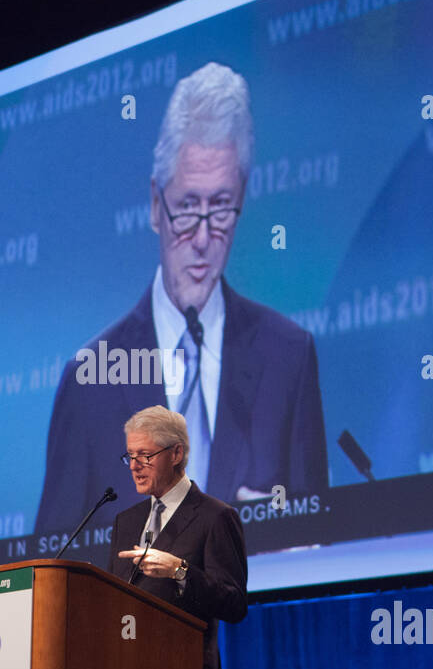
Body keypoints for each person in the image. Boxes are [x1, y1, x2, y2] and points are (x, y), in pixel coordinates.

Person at [35, 61, 328, 536]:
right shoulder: (90, 378)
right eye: (188, 208)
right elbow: (50, 568)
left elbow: (320, 543)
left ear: (243, 199)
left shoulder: (288, 357)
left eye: (221, 208)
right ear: (156, 204)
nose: (203, 238)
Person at [107, 406, 247, 669]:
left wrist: (180, 571)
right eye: (130, 456)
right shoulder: (125, 521)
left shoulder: (215, 517)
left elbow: (234, 602)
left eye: (145, 455)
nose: (135, 468)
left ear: (176, 453)